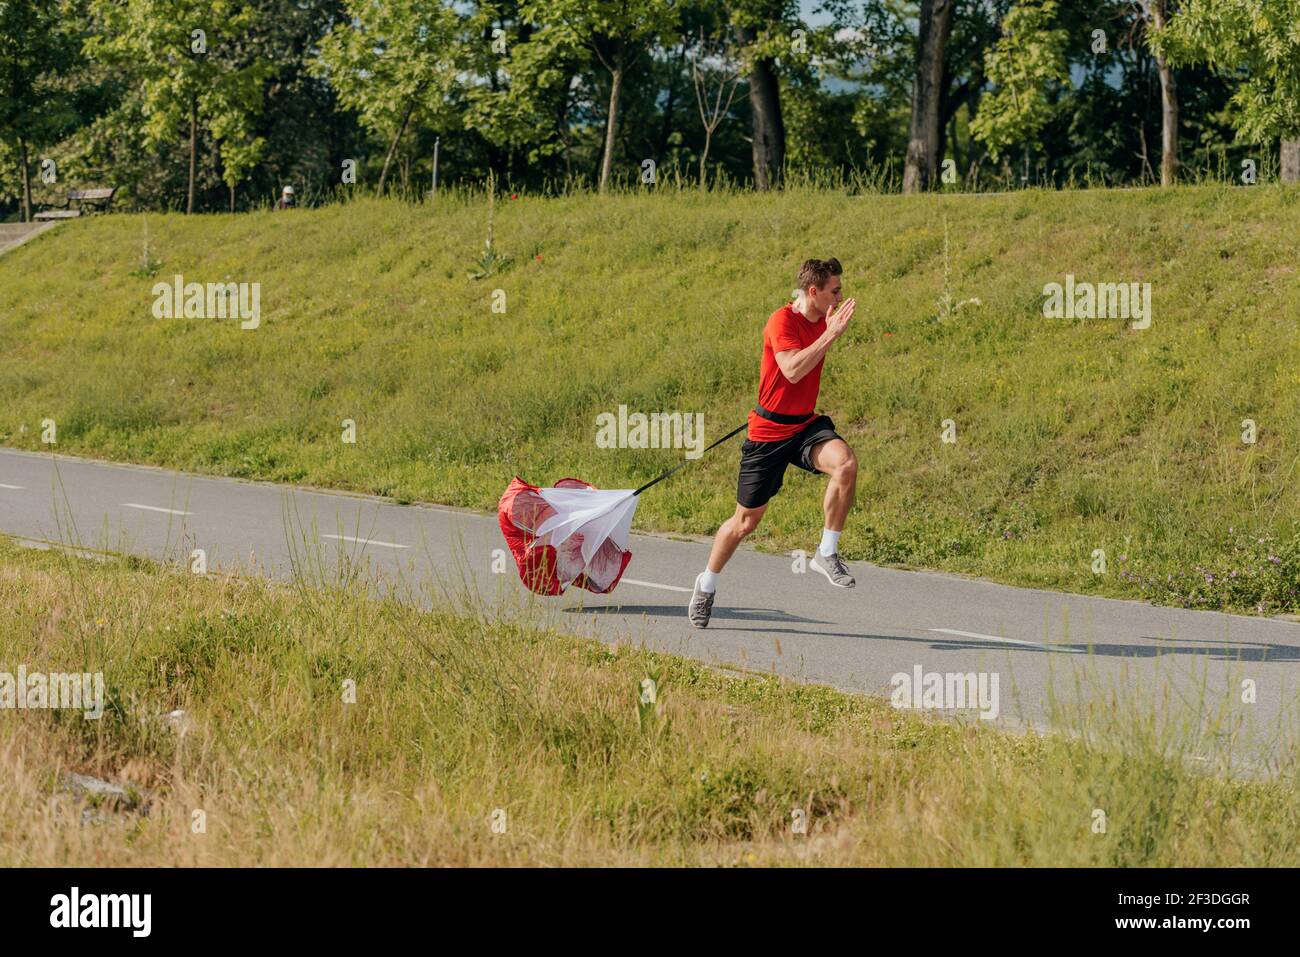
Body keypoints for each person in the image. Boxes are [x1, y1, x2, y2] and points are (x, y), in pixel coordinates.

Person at [689, 257, 859, 628]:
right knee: (744, 523)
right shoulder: (782, 321)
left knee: (845, 463)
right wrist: (831, 335)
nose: (840, 297)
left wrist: (827, 331)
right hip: (767, 434)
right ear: (813, 292)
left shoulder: (821, 319)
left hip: (805, 427)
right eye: (835, 290)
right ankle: (706, 584)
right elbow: (793, 370)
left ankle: (826, 552)